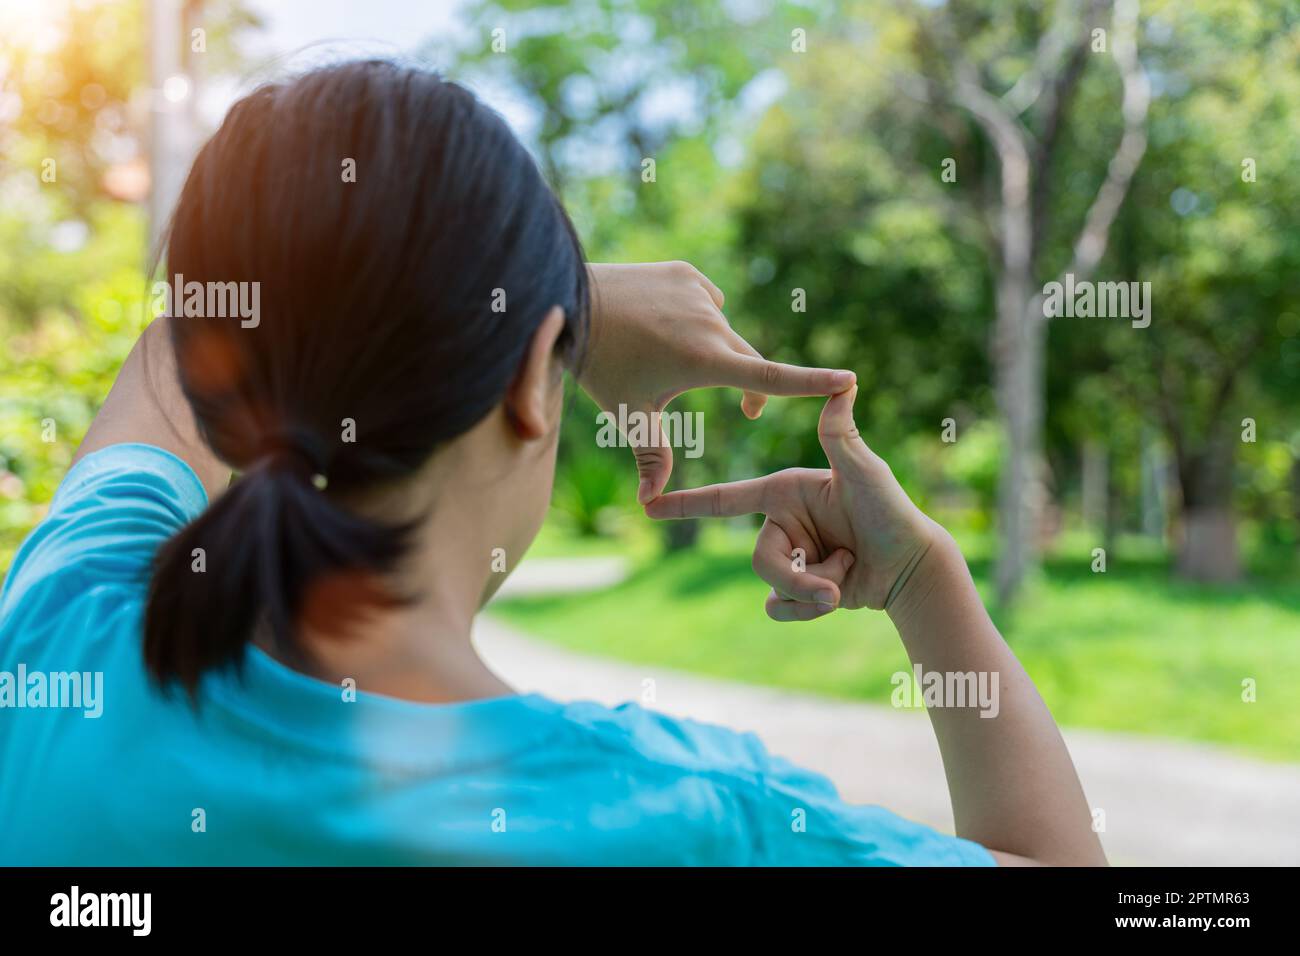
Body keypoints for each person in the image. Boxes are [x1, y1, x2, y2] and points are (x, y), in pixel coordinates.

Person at [0, 60, 1104, 866]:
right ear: (539, 384)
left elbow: (178, 347)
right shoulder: (685, 819)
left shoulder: (64, 636)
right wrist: (923, 579)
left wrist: (558, 297)